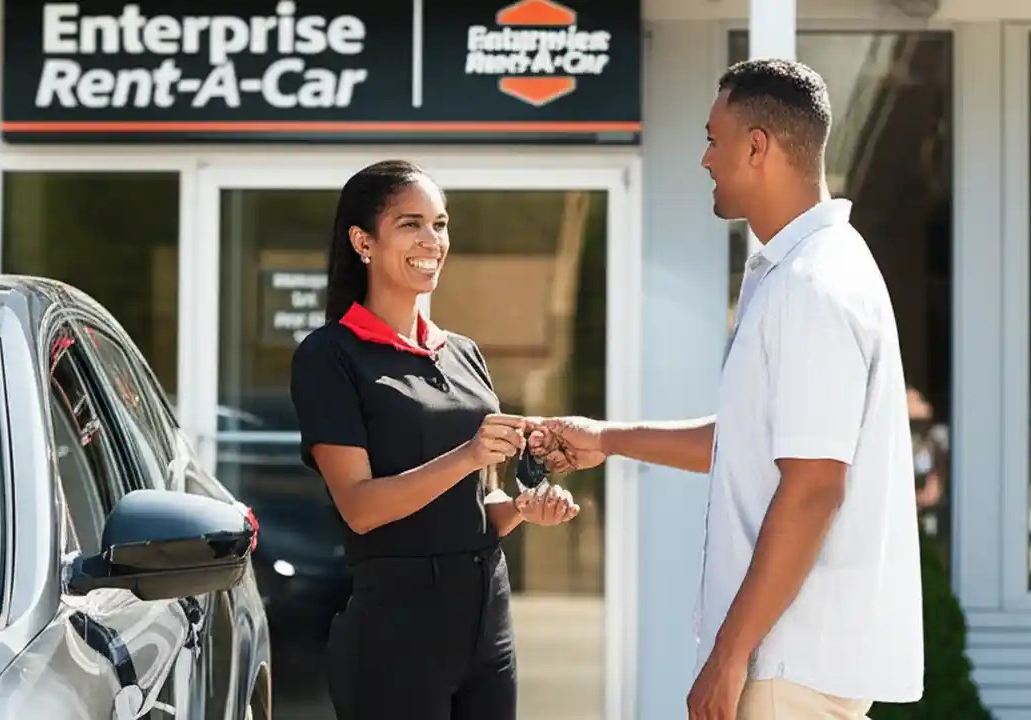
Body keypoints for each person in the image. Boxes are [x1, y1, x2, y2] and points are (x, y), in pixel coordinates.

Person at [528, 59, 924, 719]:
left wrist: (730, 654)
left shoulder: (812, 285)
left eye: (714, 139)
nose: (706, 159)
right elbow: (759, 440)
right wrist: (611, 440)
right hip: (793, 662)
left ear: (757, 146)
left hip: (784, 666)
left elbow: (814, 485)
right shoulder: (802, 272)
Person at [289, 158, 581, 720]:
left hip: (486, 614)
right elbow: (360, 508)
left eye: (440, 223)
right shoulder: (330, 356)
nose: (432, 240)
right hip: (398, 628)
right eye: (410, 223)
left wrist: (522, 508)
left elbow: (476, 505)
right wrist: (470, 452)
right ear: (362, 240)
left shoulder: (464, 352)